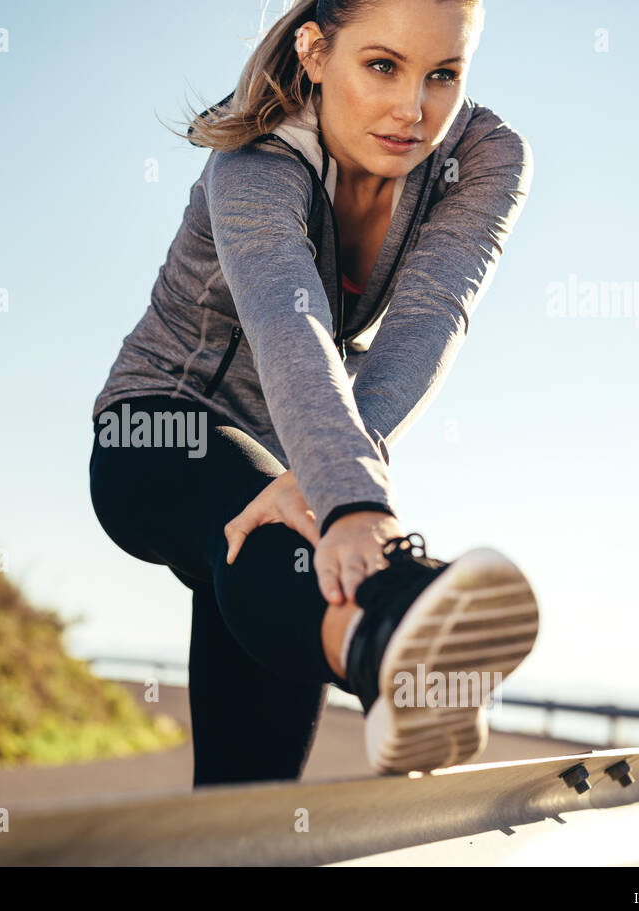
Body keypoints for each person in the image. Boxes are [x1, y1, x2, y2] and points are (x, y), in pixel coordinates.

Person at [88, 0, 539, 787]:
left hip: (298, 462)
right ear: (316, 50)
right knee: (277, 520)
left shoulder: (486, 157)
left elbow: (433, 317)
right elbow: (284, 322)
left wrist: (330, 484)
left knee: (248, 799)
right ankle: (388, 642)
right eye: (382, 66)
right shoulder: (254, 160)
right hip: (156, 432)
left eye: (444, 75)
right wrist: (353, 504)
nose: (413, 109)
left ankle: (376, 670)